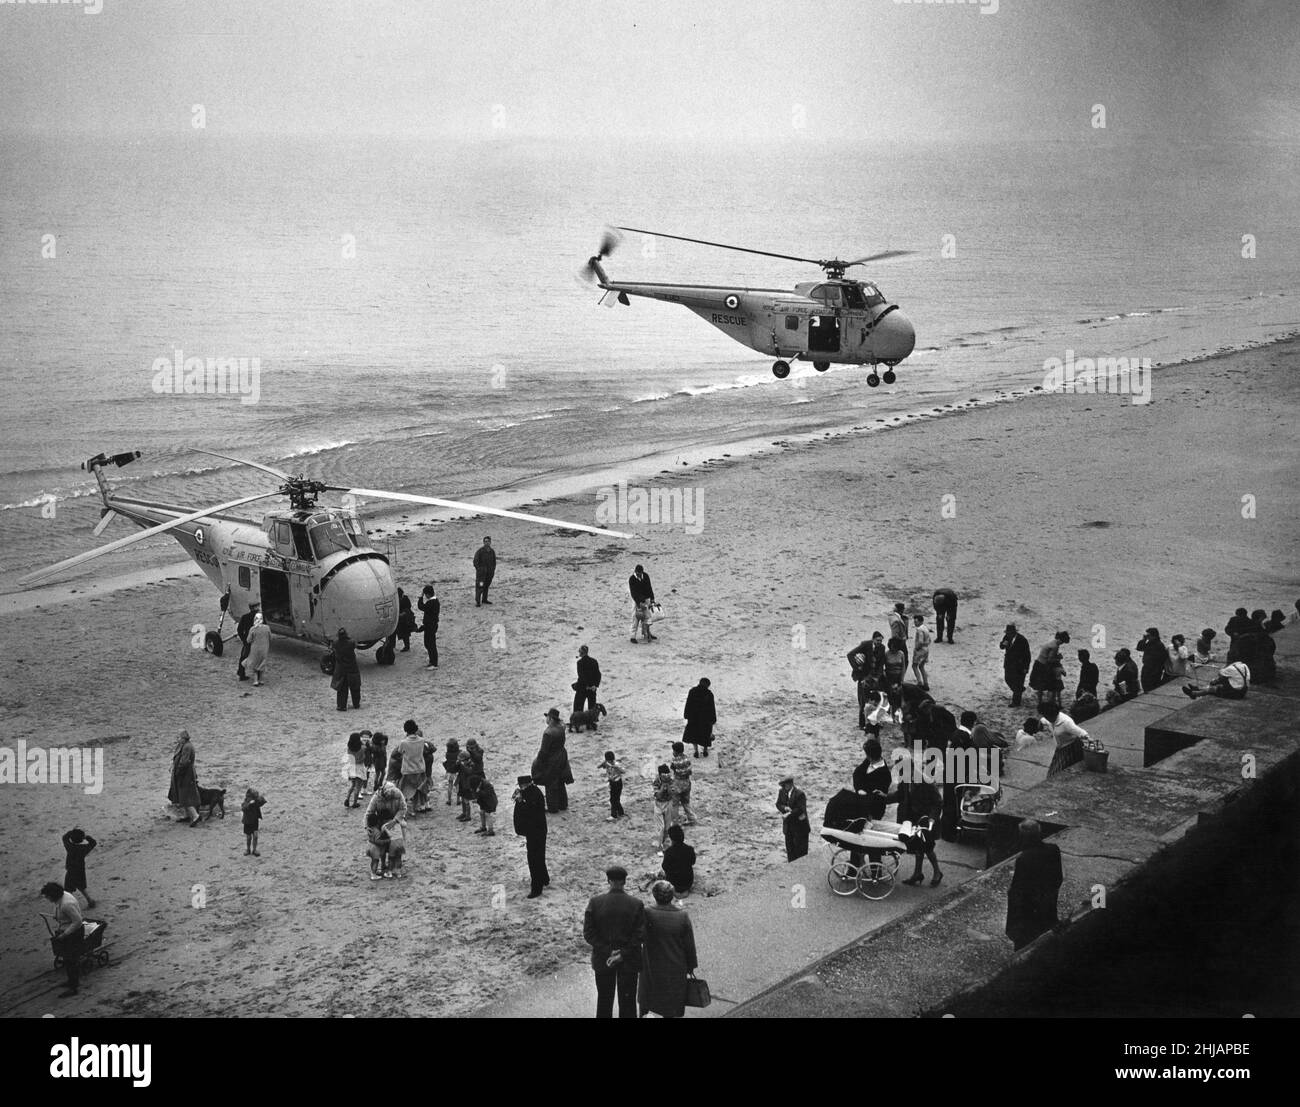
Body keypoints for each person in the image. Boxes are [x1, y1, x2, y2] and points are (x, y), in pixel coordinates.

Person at [583, 865, 646, 1019]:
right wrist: (622, 954)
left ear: (609, 881)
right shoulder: (636, 904)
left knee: (604, 1001)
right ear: (624, 881)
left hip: (604, 959)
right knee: (628, 1003)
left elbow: (589, 934)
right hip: (629, 960)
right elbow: (640, 935)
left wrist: (608, 951)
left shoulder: (595, 902)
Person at [639, 880, 699, 1019]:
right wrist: (691, 966)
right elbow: (689, 944)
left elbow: (640, 936)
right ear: (672, 896)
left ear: (654, 895)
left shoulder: (647, 913)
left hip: (651, 966)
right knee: (672, 1006)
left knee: (647, 1002)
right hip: (675, 967)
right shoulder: (682, 916)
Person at [1005, 819, 1063, 951]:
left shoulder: (1024, 859)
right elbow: (1058, 878)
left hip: (1029, 911)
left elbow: (1017, 890)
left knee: (1024, 946)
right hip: (1048, 905)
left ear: (1024, 838)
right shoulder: (1054, 850)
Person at [893, 766, 943, 887]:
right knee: (917, 846)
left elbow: (938, 802)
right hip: (912, 818)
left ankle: (937, 872)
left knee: (928, 847)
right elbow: (899, 795)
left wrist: (932, 818)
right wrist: (883, 797)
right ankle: (917, 873)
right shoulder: (905, 778)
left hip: (926, 819)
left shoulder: (926, 781)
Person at [41, 881, 85, 996]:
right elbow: (58, 909)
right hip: (66, 930)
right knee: (67, 958)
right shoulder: (61, 898)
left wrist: (65, 934)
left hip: (73, 934)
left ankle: (73, 987)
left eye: (47, 896)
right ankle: (71, 981)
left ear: (53, 895)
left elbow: (78, 921)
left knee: (71, 960)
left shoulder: (66, 904)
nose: (46, 898)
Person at [512, 775, 549, 898]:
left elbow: (530, 811)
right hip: (536, 830)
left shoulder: (533, 794)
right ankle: (544, 878)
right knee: (539, 856)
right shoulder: (532, 792)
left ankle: (536, 888)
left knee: (534, 859)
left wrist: (520, 801)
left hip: (535, 831)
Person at [532, 708, 572, 813]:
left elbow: (544, 751)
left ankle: (553, 807)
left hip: (552, 760)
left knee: (550, 784)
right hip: (562, 756)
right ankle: (563, 804)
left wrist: (538, 762)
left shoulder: (548, 732)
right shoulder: (561, 728)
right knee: (560, 781)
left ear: (550, 718)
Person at [168, 730, 201, 826]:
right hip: (184, 774)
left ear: (183, 738)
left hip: (186, 775)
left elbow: (184, 763)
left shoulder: (187, 747)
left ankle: (195, 816)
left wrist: (178, 772)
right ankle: (187, 815)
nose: (177, 739)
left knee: (186, 796)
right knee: (182, 796)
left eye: (178, 737)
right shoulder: (183, 745)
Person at [1044, 705, 1089, 775]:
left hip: (1071, 747)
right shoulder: (1048, 719)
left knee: (1057, 771)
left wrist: (1090, 743)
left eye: (1050, 717)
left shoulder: (1066, 722)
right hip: (1060, 747)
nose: (1048, 719)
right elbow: (1043, 720)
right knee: (1052, 771)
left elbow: (1082, 733)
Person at [1029, 631, 1070, 710]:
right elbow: (1050, 659)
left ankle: (1040, 702)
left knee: (1040, 686)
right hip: (1044, 666)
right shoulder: (1055, 646)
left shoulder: (1052, 642)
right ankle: (1046, 703)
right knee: (1047, 686)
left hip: (1038, 663)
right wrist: (1059, 658)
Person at [776, 774, 809, 862]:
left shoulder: (800, 794)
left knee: (801, 854)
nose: (783, 787)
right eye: (782, 786)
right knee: (790, 852)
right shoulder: (781, 792)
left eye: (785, 785)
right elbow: (778, 804)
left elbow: (801, 810)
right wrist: (784, 808)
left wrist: (789, 814)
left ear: (790, 784)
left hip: (800, 828)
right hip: (788, 828)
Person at [61, 828, 97, 909]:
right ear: (81, 839)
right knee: (81, 886)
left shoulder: (70, 847)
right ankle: (90, 901)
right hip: (80, 870)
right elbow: (93, 843)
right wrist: (86, 837)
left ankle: (68, 907)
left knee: (68, 890)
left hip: (71, 871)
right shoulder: (83, 848)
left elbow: (64, 837)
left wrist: (71, 832)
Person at [397, 721, 428, 812]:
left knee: (407, 790)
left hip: (408, 769)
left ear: (406, 730)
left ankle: (408, 809)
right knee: (421, 788)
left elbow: (400, 751)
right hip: (420, 768)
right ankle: (422, 806)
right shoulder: (422, 740)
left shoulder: (404, 742)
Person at [1000, 623, 1031, 707]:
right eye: (1007, 632)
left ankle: (1016, 702)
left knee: (1018, 682)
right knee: (1008, 679)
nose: (1008, 634)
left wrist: (1026, 667)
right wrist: (1003, 644)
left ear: (1014, 632)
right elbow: (1001, 646)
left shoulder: (1022, 640)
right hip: (1009, 664)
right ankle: (1019, 690)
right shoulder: (1006, 637)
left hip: (1019, 665)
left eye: (1009, 633)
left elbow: (1027, 655)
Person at [683, 677, 716, 757]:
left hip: (693, 718)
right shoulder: (709, 694)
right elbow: (712, 708)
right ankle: (705, 750)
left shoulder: (692, 691)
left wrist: (686, 715)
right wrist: (713, 719)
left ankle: (696, 751)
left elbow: (688, 704)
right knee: (705, 735)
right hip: (705, 719)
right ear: (708, 685)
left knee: (694, 735)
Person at [1183, 660, 1251, 699]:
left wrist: (1214, 681)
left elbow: (1221, 674)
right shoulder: (1244, 666)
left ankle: (1194, 693)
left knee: (1212, 689)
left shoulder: (1231, 668)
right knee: (1220, 685)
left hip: (1235, 693)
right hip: (1243, 691)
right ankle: (1198, 689)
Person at [659, 824, 695, 895]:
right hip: (688, 882)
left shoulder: (669, 852)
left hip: (674, 883)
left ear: (672, 839)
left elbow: (664, 867)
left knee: (661, 873)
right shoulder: (689, 849)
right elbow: (692, 862)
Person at [331, 628, 362, 711]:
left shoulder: (336, 643)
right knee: (355, 688)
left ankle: (341, 706)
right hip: (352, 668)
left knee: (342, 689)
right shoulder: (351, 643)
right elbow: (355, 643)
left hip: (341, 669)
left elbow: (333, 645)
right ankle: (356, 704)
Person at [669, 741, 697, 825]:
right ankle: (692, 819)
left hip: (678, 783)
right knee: (686, 803)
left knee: (675, 804)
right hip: (687, 782)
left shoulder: (674, 761)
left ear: (675, 752)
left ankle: (675, 823)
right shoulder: (687, 758)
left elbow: (673, 769)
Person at [1136, 627, 1170, 692]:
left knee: (1151, 687)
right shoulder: (1150, 643)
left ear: (1154, 636)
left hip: (1154, 670)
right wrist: (1144, 640)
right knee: (1145, 684)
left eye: (1149, 635)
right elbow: (1139, 648)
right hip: (1147, 667)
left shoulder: (1159, 645)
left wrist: (1158, 668)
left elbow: (1163, 658)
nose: (1147, 637)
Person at [629, 564, 657, 643]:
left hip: (646, 599)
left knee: (647, 618)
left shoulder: (646, 576)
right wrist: (639, 603)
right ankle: (632, 636)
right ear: (635, 572)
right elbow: (633, 593)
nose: (639, 574)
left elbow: (649, 587)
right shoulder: (632, 579)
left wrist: (652, 598)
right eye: (638, 573)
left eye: (640, 573)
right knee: (635, 618)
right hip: (637, 601)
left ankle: (647, 634)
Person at [652, 764, 677, 848]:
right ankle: (659, 843)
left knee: (667, 826)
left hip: (668, 803)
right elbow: (657, 795)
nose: (666, 777)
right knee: (660, 827)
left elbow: (672, 793)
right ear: (660, 775)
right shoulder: (656, 781)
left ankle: (665, 842)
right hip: (658, 804)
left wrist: (668, 786)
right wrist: (662, 787)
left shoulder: (671, 780)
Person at [234, 601, 260, 681]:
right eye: (257, 606)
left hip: (247, 641)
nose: (258, 608)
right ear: (255, 608)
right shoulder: (260, 617)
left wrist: (244, 640)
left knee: (243, 657)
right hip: (257, 641)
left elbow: (239, 630)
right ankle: (258, 677)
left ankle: (241, 674)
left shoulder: (245, 617)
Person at [882, 637, 908, 710]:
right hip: (889, 677)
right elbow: (882, 666)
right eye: (892, 647)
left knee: (899, 694)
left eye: (895, 648)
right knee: (890, 695)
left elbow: (903, 667)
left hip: (898, 677)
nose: (893, 649)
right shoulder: (886, 654)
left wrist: (902, 678)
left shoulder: (901, 654)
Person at [418, 584, 440, 669]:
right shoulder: (434, 601)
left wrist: (420, 597)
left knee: (431, 645)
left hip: (430, 626)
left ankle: (434, 663)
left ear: (427, 594)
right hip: (430, 625)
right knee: (428, 644)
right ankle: (432, 661)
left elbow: (421, 606)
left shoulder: (431, 602)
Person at [574, 645, 601, 714]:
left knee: (578, 708)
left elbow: (582, 676)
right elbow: (598, 674)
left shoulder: (580, 663)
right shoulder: (594, 661)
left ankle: (578, 723)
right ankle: (591, 723)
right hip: (592, 689)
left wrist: (585, 685)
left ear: (581, 652)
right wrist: (595, 685)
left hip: (582, 688)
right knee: (592, 709)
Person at [601, 751, 625, 820]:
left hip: (617, 783)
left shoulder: (616, 764)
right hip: (612, 783)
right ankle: (620, 812)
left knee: (613, 799)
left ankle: (614, 815)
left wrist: (617, 768)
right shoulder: (607, 764)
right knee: (615, 799)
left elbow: (624, 771)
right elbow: (600, 766)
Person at [344, 732, 367, 808]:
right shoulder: (362, 748)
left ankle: (347, 799)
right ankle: (354, 803)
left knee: (353, 785)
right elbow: (362, 759)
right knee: (358, 787)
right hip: (359, 768)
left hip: (351, 767)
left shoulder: (349, 748)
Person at [911, 613, 933, 691]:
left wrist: (917, 648)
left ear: (920, 621)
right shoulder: (925, 628)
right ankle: (926, 683)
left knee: (914, 666)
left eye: (916, 622)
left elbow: (920, 641)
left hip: (920, 650)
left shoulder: (919, 629)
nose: (915, 623)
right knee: (921, 667)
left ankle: (920, 682)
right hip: (926, 649)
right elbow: (929, 640)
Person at [242, 788, 267, 855]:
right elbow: (243, 808)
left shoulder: (256, 802)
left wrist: (257, 798)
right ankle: (248, 849)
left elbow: (263, 801)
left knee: (255, 836)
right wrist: (249, 804)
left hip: (255, 821)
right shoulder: (246, 802)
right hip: (247, 822)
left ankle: (254, 850)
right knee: (249, 837)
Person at [473, 537, 495, 606]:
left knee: (486, 586)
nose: (487, 542)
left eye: (488, 541)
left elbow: (494, 562)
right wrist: (479, 570)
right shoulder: (480, 551)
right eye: (485, 541)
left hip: (489, 574)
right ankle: (478, 601)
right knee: (480, 586)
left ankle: (484, 599)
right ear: (483, 542)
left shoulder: (492, 551)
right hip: (481, 575)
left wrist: (492, 570)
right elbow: (475, 562)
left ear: (490, 542)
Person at [394, 587, 416, 651]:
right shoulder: (402, 599)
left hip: (404, 620)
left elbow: (408, 608)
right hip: (400, 619)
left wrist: (403, 613)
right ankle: (393, 645)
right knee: (401, 633)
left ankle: (406, 646)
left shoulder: (404, 599)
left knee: (405, 634)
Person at [442, 738, 460, 806]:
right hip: (457, 772)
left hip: (450, 772)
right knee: (458, 786)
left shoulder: (447, 754)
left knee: (450, 786)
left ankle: (449, 800)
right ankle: (458, 800)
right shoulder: (459, 753)